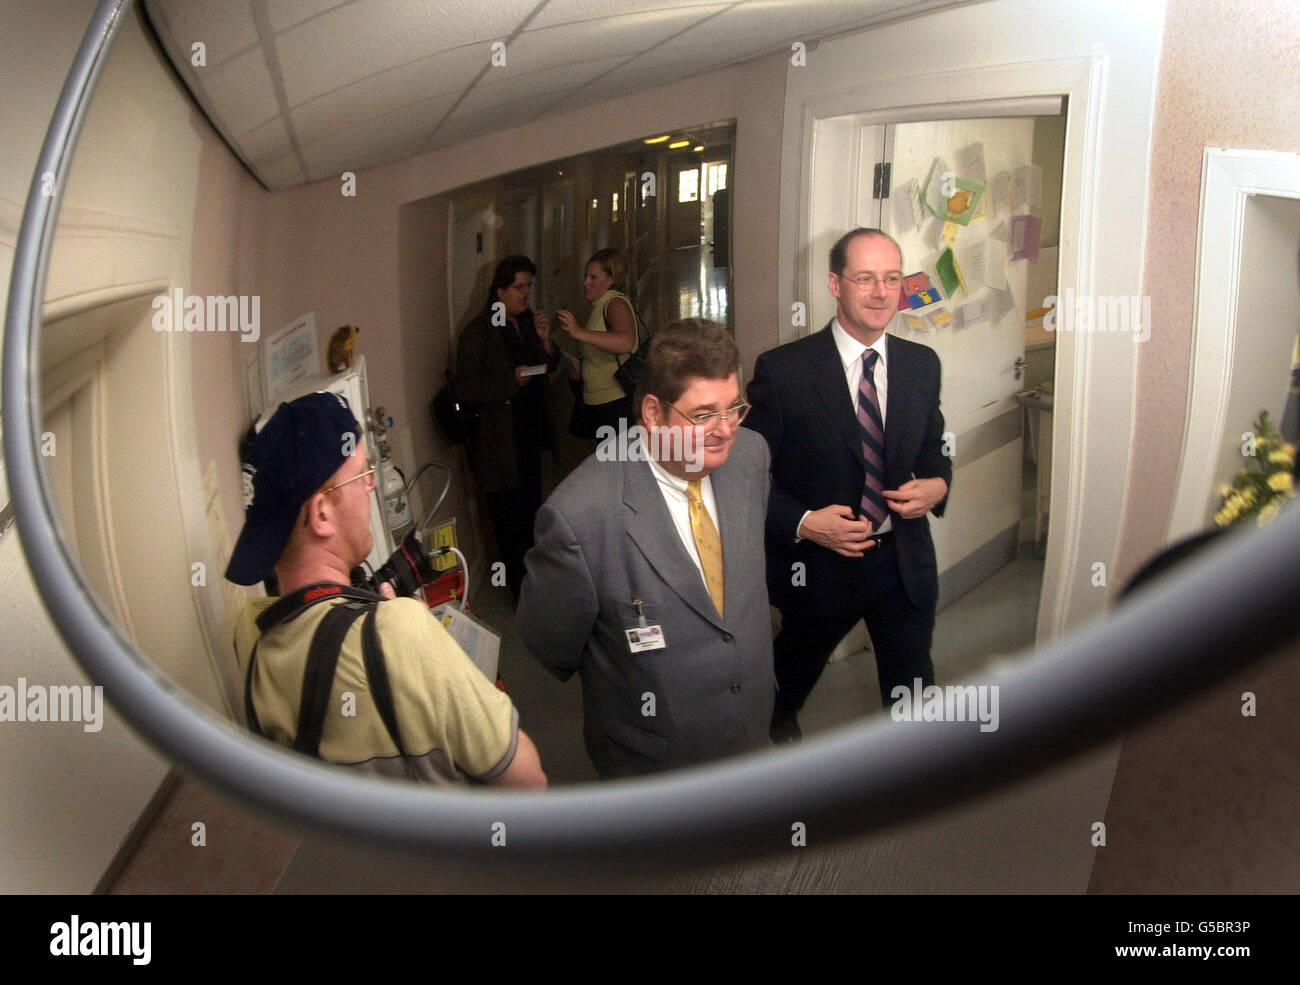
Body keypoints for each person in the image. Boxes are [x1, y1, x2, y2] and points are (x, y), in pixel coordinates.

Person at [226, 391, 546, 788]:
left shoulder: (250, 636)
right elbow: (528, 779)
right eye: (362, 474)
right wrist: (408, 632)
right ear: (321, 514)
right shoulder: (398, 631)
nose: (373, 485)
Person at [517, 319, 773, 779]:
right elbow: (551, 642)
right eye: (703, 415)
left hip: (752, 729)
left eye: (734, 408)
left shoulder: (751, 457)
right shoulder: (579, 517)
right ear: (653, 413)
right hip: (657, 764)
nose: (725, 430)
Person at [745, 228, 952, 742]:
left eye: (892, 278)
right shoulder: (783, 370)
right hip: (818, 565)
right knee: (790, 674)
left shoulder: (922, 365)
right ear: (835, 284)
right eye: (866, 279)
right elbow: (746, 473)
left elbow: (933, 447)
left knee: (911, 683)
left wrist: (937, 485)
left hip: (901, 559)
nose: (882, 292)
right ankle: (770, 723)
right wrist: (804, 522)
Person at [454, 255, 560, 602]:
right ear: (499, 290)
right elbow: (467, 389)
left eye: (528, 286)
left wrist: (545, 341)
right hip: (499, 444)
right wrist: (511, 380)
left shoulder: (527, 321)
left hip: (528, 436)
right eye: (519, 287)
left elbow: (548, 364)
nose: (525, 294)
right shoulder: (479, 331)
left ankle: (537, 583)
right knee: (508, 521)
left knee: (532, 512)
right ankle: (520, 592)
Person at [556, 247, 641, 438]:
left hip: (616, 401)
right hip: (601, 400)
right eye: (586, 276)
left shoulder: (614, 303)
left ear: (611, 279)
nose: (585, 282)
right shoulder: (600, 305)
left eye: (593, 277)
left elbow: (626, 341)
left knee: (617, 461)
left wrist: (579, 332)